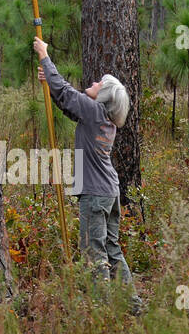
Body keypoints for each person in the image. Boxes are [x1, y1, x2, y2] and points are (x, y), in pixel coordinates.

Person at [32, 36, 144, 314]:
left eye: (98, 84)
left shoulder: (94, 112)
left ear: (103, 96)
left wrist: (45, 57)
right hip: (110, 193)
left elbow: (67, 94)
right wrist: (49, 79)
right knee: (111, 249)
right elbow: (67, 102)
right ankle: (132, 305)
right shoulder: (102, 119)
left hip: (95, 196)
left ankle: (101, 311)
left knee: (95, 253)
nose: (92, 84)